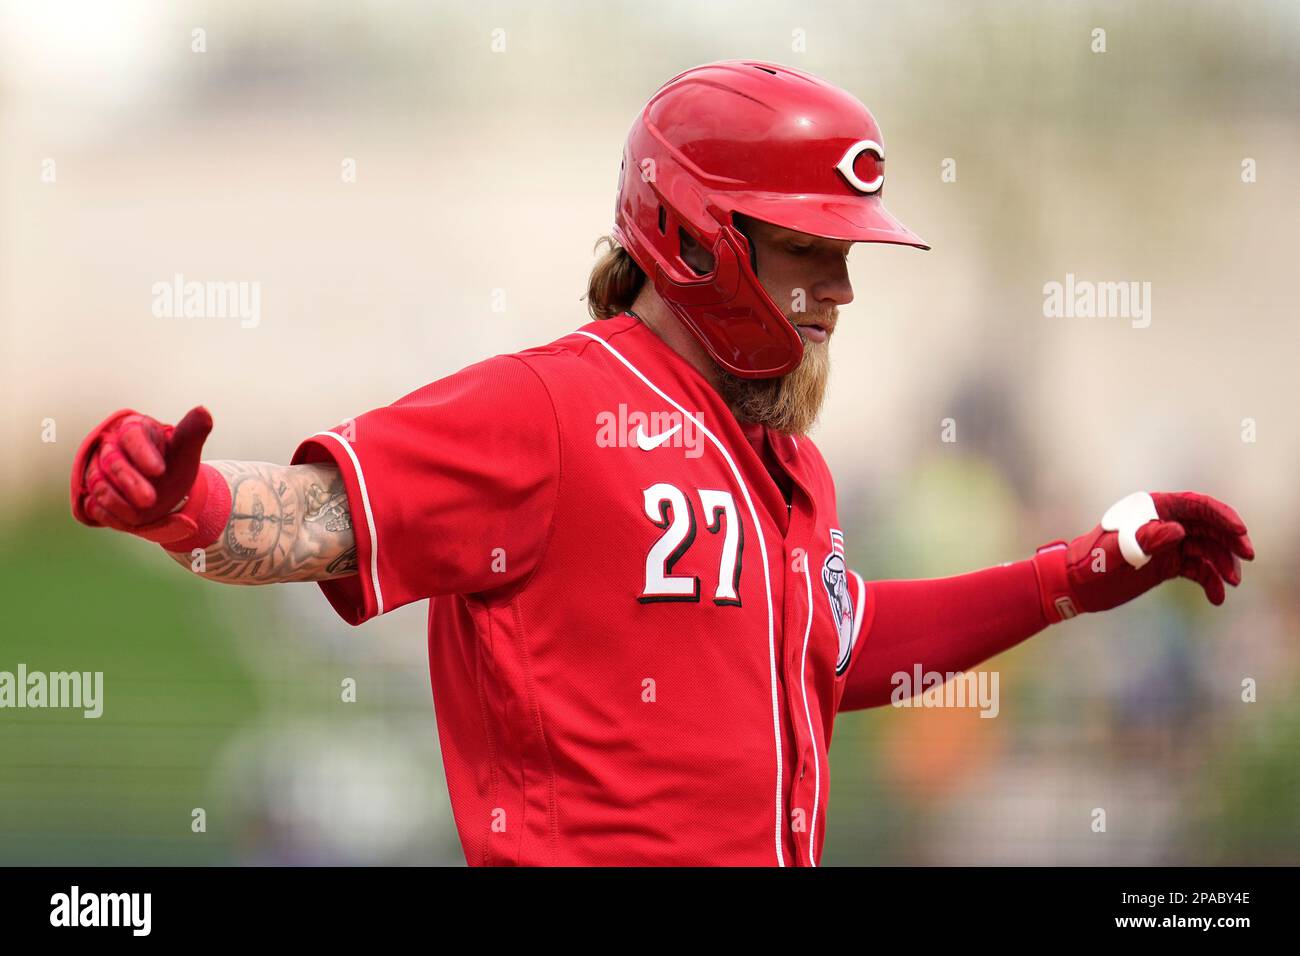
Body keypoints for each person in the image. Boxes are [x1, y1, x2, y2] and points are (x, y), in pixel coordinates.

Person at [68, 60, 1252, 866]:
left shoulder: (786, 461)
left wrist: (1064, 580)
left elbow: (827, 653)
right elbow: (323, 516)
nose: (840, 289)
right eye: (808, 251)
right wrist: (188, 503)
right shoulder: (543, 405)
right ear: (694, 235)